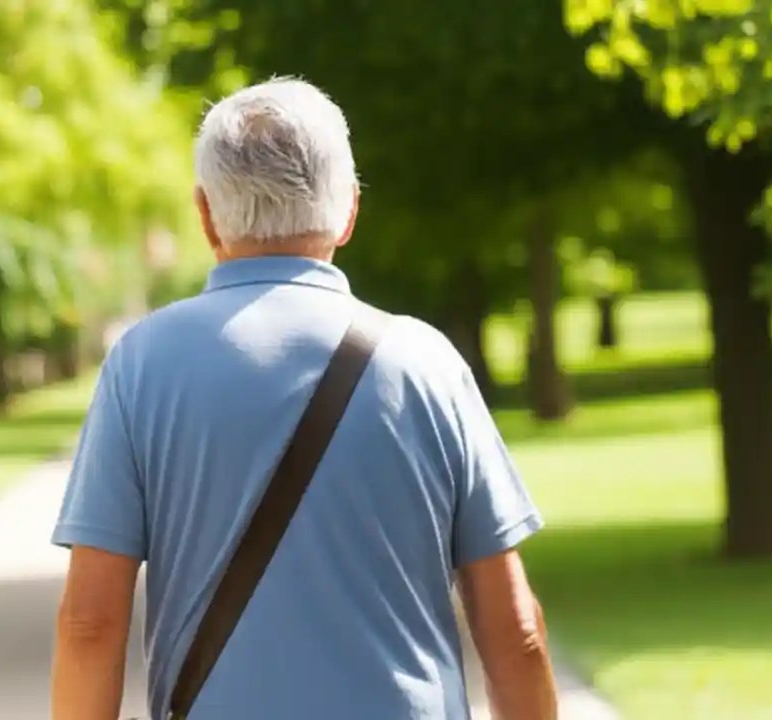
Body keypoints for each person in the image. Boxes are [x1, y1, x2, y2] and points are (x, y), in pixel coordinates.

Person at [50, 78, 557, 720]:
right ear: (349, 211)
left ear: (206, 214)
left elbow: (90, 624)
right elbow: (516, 632)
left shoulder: (141, 364)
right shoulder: (427, 364)